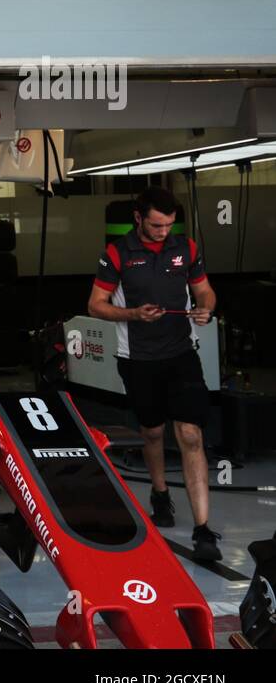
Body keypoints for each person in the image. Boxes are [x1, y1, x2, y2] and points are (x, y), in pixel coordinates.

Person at [87, 186, 220, 562]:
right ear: (138, 218)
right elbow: (95, 305)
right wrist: (132, 315)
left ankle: (202, 528)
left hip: (182, 353)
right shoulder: (117, 254)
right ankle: (159, 492)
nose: (163, 232)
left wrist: (205, 309)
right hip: (138, 358)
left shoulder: (186, 249)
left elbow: (206, 291)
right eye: (157, 225)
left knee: (191, 433)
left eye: (169, 225)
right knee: (152, 431)